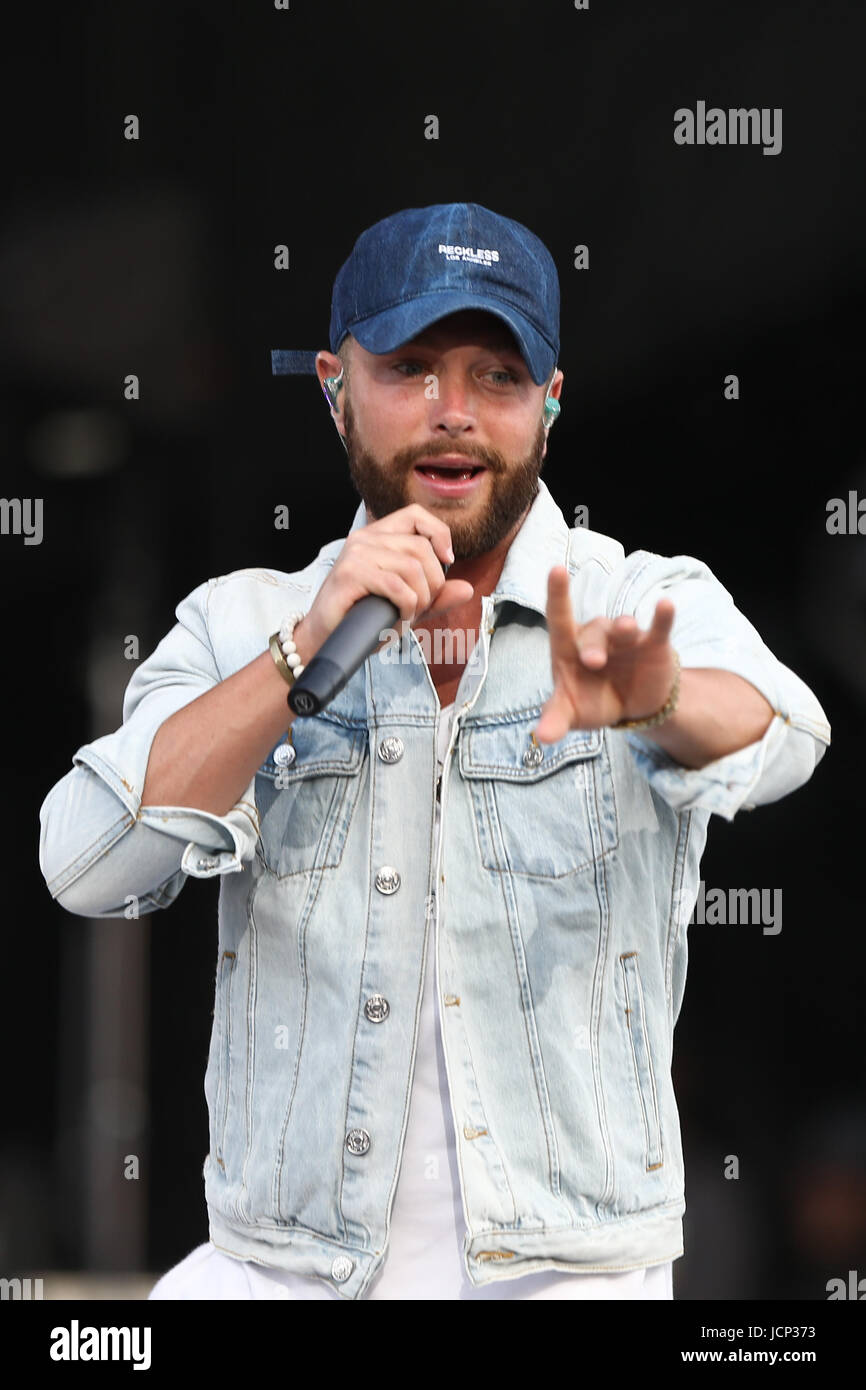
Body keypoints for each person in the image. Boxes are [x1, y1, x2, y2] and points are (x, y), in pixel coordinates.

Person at [38, 202, 831, 1301]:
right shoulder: (243, 620)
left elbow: (779, 733)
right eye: (410, 367)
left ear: (549, 408)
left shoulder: (633, 596)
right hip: (284, 1269)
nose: (451, 413)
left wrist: (657, 703)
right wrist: (298, 653)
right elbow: (80, 864)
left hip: (562, 1279)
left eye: (497, 376)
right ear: (333, 387)